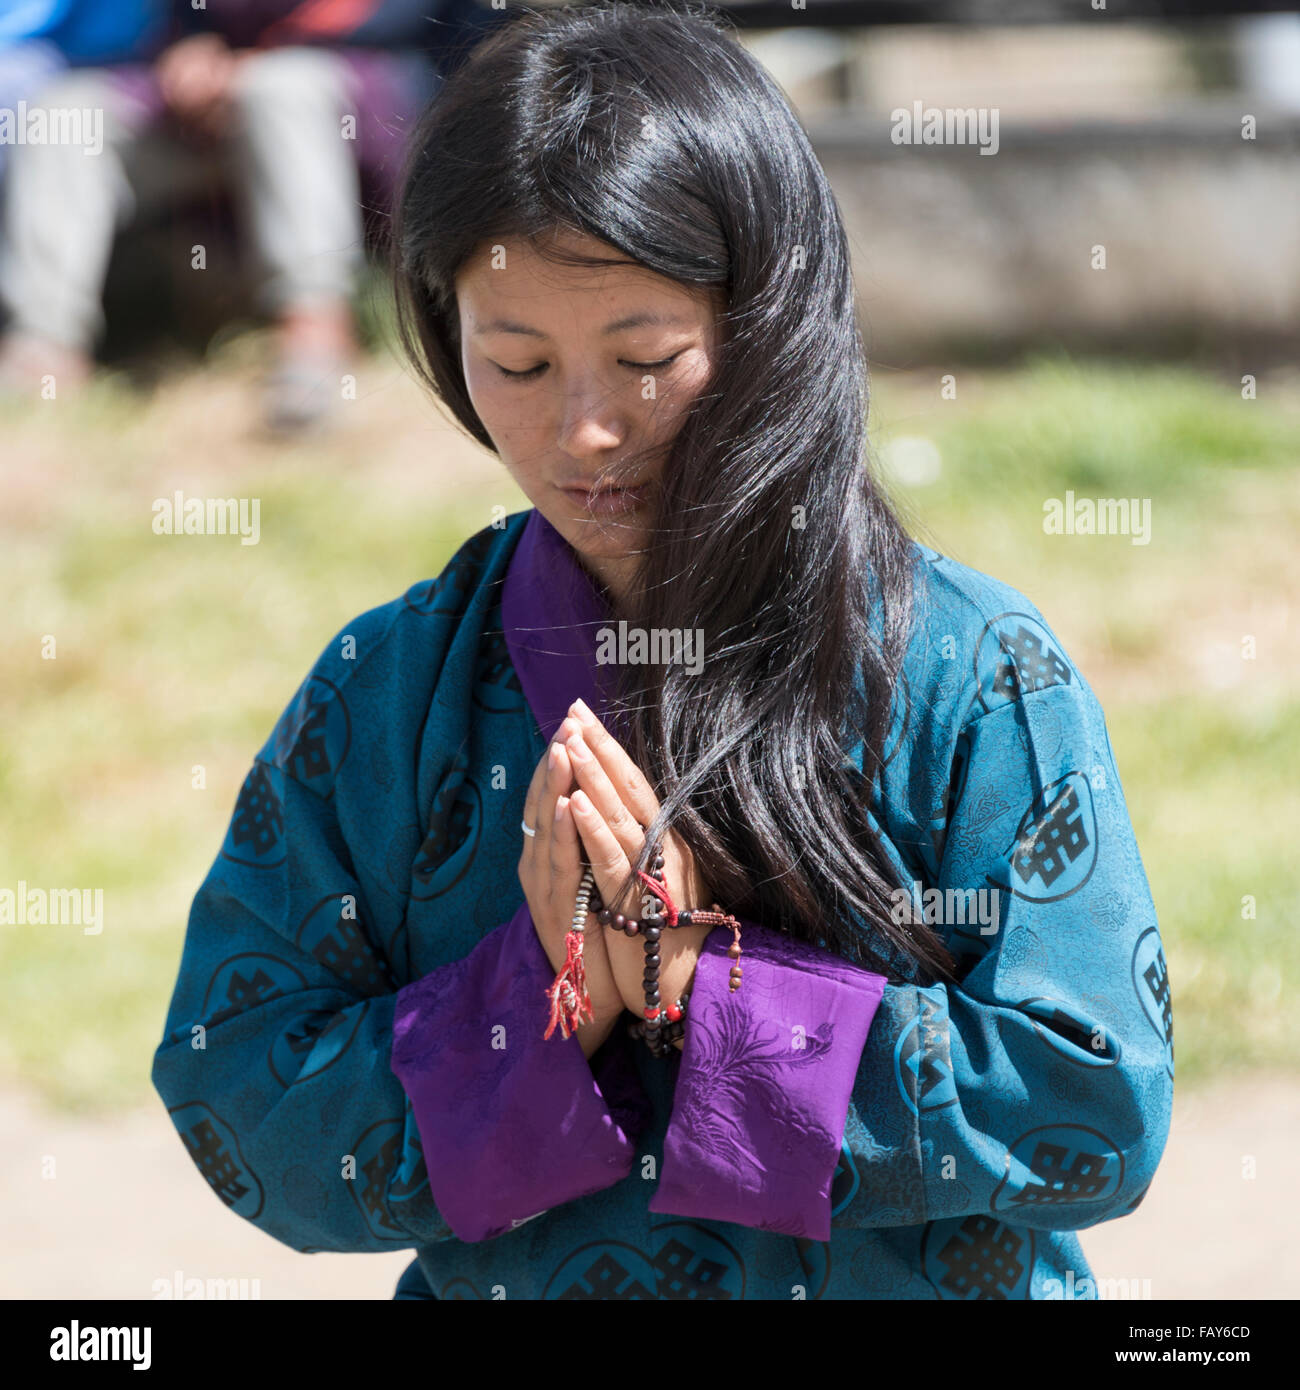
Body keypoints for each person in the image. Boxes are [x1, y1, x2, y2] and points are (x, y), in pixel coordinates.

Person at [151, 1, 1174, 1300]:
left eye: (646, 357)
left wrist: (702, 988)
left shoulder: (969, 671)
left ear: (769, 317)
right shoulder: (388, 693)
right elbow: (235, 1096)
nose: (583, 431)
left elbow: (1098, 1100)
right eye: (516, 361)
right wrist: (549, 997)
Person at [0, 0, 494, 431]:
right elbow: (185, 15)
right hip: (211, 98)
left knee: (278, 88)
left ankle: (313, 338)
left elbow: (393, 16)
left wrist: (257, 57)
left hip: (355, 88)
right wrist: (191, 50)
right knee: (65, 111)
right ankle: (42, 353)